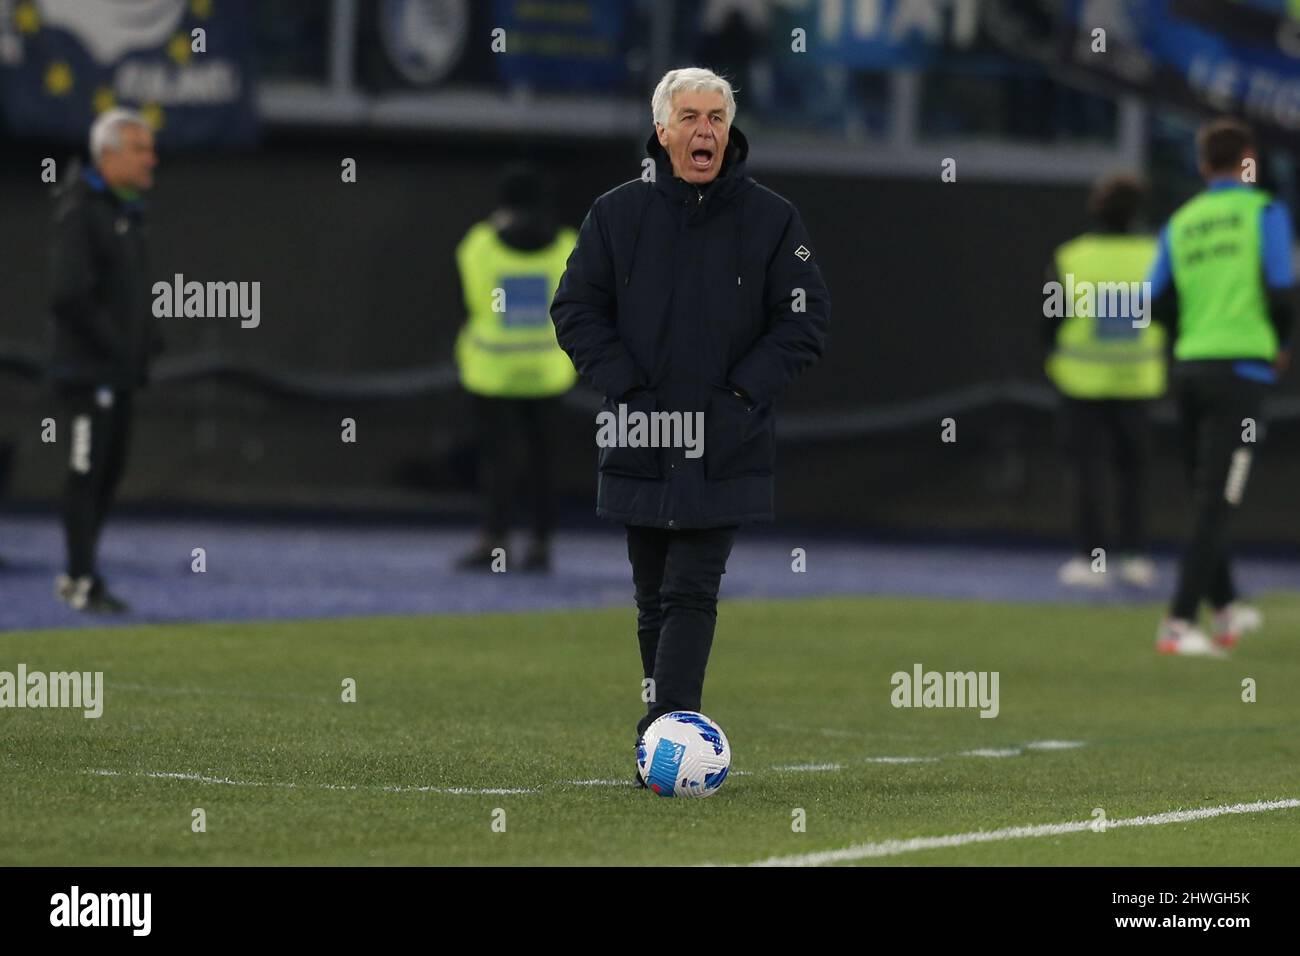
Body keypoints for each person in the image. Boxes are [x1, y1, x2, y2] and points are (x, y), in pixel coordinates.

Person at [551, 67, 830, 788]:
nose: (706, 130)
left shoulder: (773, 219)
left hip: (726, 438)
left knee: (690, 590)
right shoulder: (616, 213)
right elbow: (575, 308)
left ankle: (666, 736)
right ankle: (664, 736)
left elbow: (803, 321)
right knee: (652, 597)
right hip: (641, 432)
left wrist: (739, 396)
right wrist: (627, 389)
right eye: (691, 117)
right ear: (662, 131)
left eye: (717, 118)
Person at [1147, 118, 1293, 656]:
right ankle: (1178, 623)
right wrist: (1281, 344)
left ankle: (1226, 608)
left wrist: (1190, 332)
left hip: (1190, 371)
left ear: (1203, 164)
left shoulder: (1182, 221)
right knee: (1218, 502)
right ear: (1247, 162)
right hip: (1241, 375)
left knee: (1205, 497)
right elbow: (1281, 289)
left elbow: (1150, 298)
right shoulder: (1265, 212)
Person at [49, 108, 161, 613]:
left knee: (109, 472)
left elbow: (126, 291)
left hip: (117, 373)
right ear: (107, 154)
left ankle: (83, 572)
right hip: (86, 372)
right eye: (140, 149)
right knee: (85, 471)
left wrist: (146, 338)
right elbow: (67, 294)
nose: (150, 159)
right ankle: (79, 577)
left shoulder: (126, 211)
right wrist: (116, 344)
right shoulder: (81, 209)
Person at [452, 164, 578, 573]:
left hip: (493, 371)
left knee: (497, 461)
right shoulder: (569, 247)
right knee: (544, 461)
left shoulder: (479, 246)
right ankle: (541, 546)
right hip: (548, 370)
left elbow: (468, 303)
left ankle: (494, 542)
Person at [1045, 174, 1164, 590]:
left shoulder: (1071, 256)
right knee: (1134, 473)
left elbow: (1050, 316)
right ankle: (1134, 559)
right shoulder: (1156, 255)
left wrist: (1053, 355)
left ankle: (1091, 561)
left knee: (1087, 472)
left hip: (1082, 382)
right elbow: (1171, 311)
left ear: (1096, 209)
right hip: (1136, 380)